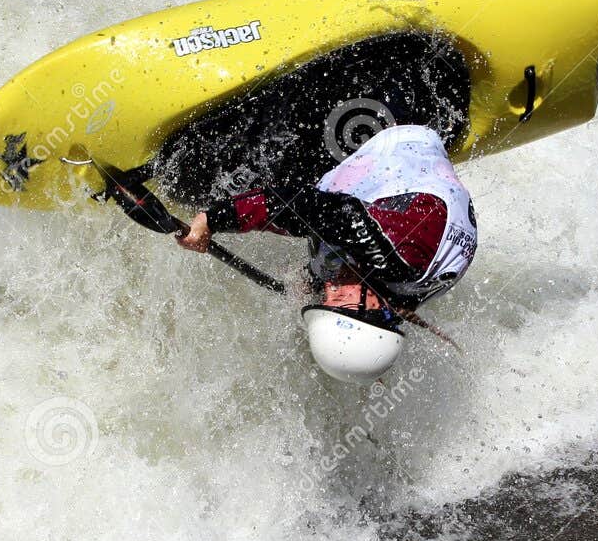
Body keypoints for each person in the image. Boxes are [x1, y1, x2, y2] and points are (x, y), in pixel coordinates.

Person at [176, 123, 477, 382]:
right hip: (385, 121)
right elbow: (306, 209)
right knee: (196, 183)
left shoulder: (391, 295)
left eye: (327, 302)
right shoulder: (398, 254)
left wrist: (310, 282)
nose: (329, 293)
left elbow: (341, 255)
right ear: (371, 306)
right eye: (337, 301)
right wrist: (214, 219)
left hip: (395, 169)